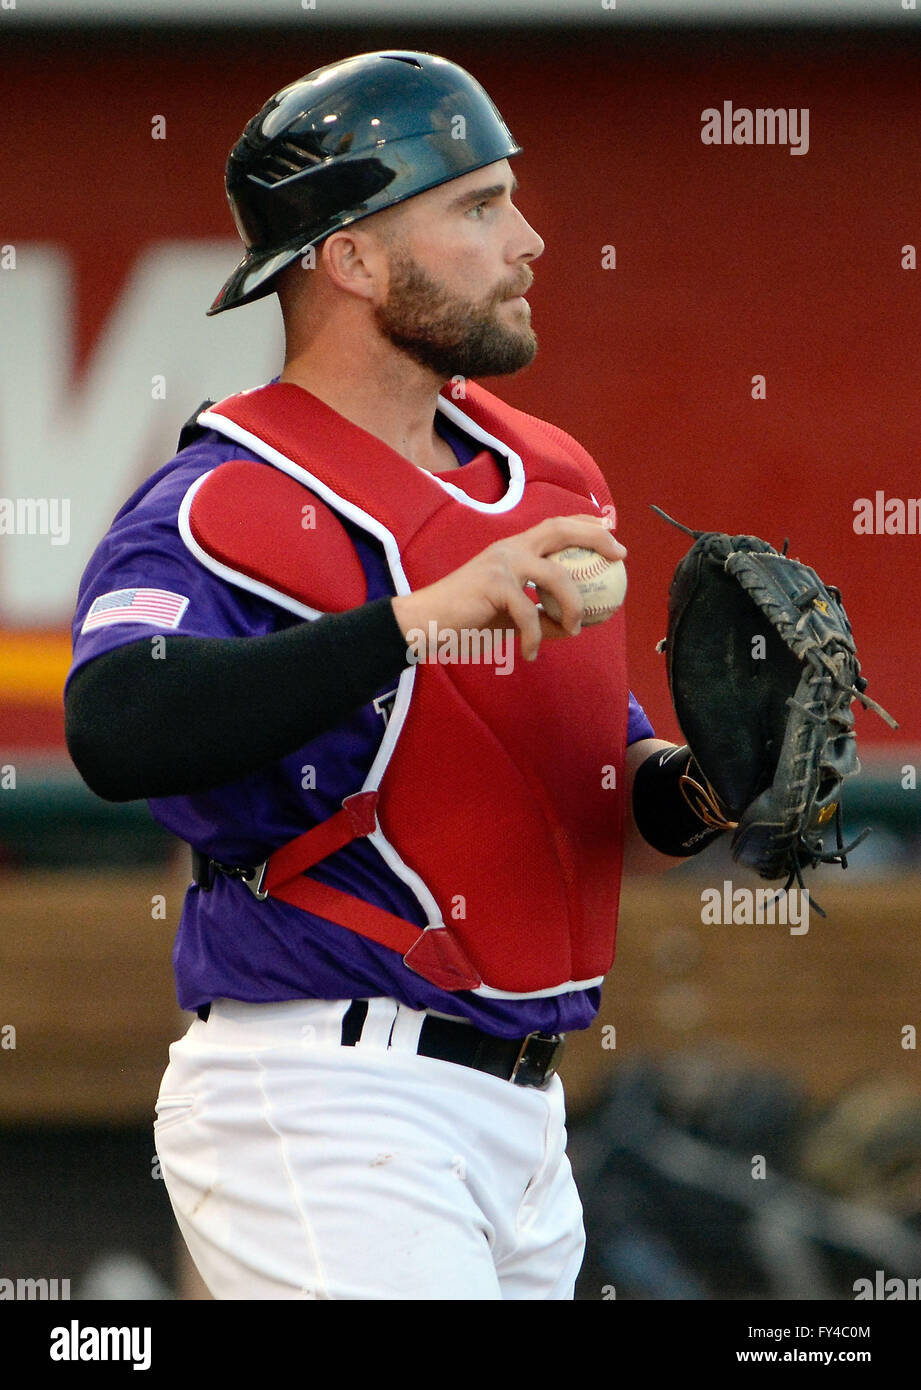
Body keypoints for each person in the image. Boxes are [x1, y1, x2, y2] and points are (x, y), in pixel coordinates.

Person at [64, 51, 725, 1300]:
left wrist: (707, 787)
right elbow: (115, 723)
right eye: (476, 205)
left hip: (526, 1125)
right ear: (353, 257)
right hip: (325, 1095)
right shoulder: (222, 501)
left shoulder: (547, 474)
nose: (527, 238)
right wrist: (410, 621)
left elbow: (596, 765)